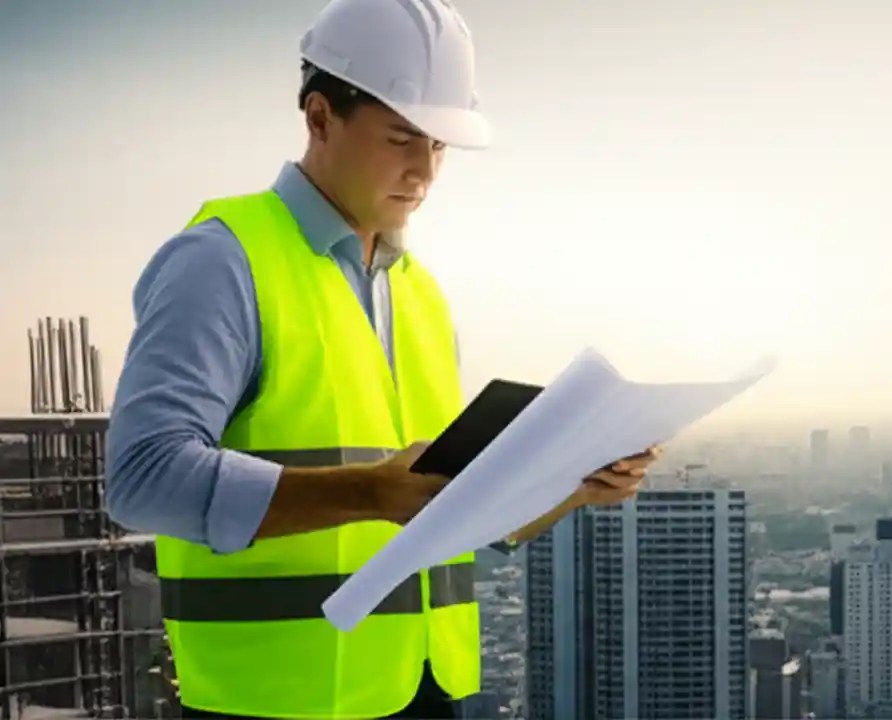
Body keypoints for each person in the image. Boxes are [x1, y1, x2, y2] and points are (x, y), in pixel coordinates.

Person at [103, 0, 659, 717]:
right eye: (402, 138)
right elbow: (142, 479)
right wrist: (368, 491)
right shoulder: (222, 260)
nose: (424, 172)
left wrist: (574, 483)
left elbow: (437, 513)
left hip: (421, 690)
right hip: (273, 700)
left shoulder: (419, 294)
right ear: (319, 117)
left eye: (440, 147)